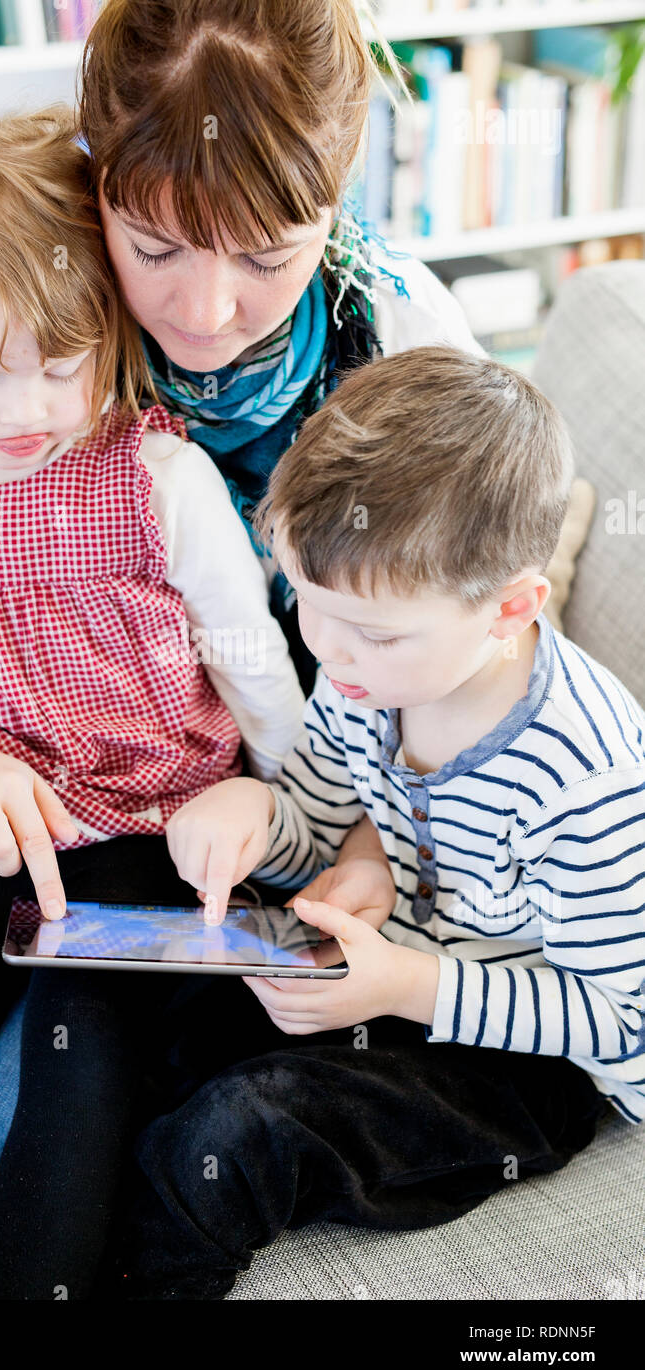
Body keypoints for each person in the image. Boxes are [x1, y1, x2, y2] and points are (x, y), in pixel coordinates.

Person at [0, 0, 480, 1280]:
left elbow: (459, 651)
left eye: (267, 252)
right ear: (97, 167)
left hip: (214, 811)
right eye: (154, 244)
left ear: (337, 190)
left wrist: (357, 837)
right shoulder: (30, 263)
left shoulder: (402, 351)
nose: (206, 311)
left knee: (33, 1134)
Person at [123, 344, 645, 1299]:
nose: (328, 651)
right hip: (384, 978)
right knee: (149, 1029)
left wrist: (406, 985)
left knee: (248, 1130)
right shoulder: (368, 671)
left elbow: (628, 1028)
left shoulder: (589, 779)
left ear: (511, 608)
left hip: (529, 1067)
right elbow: (318, 833)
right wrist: (257, 818)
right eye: (310, 610)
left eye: (372, 632)